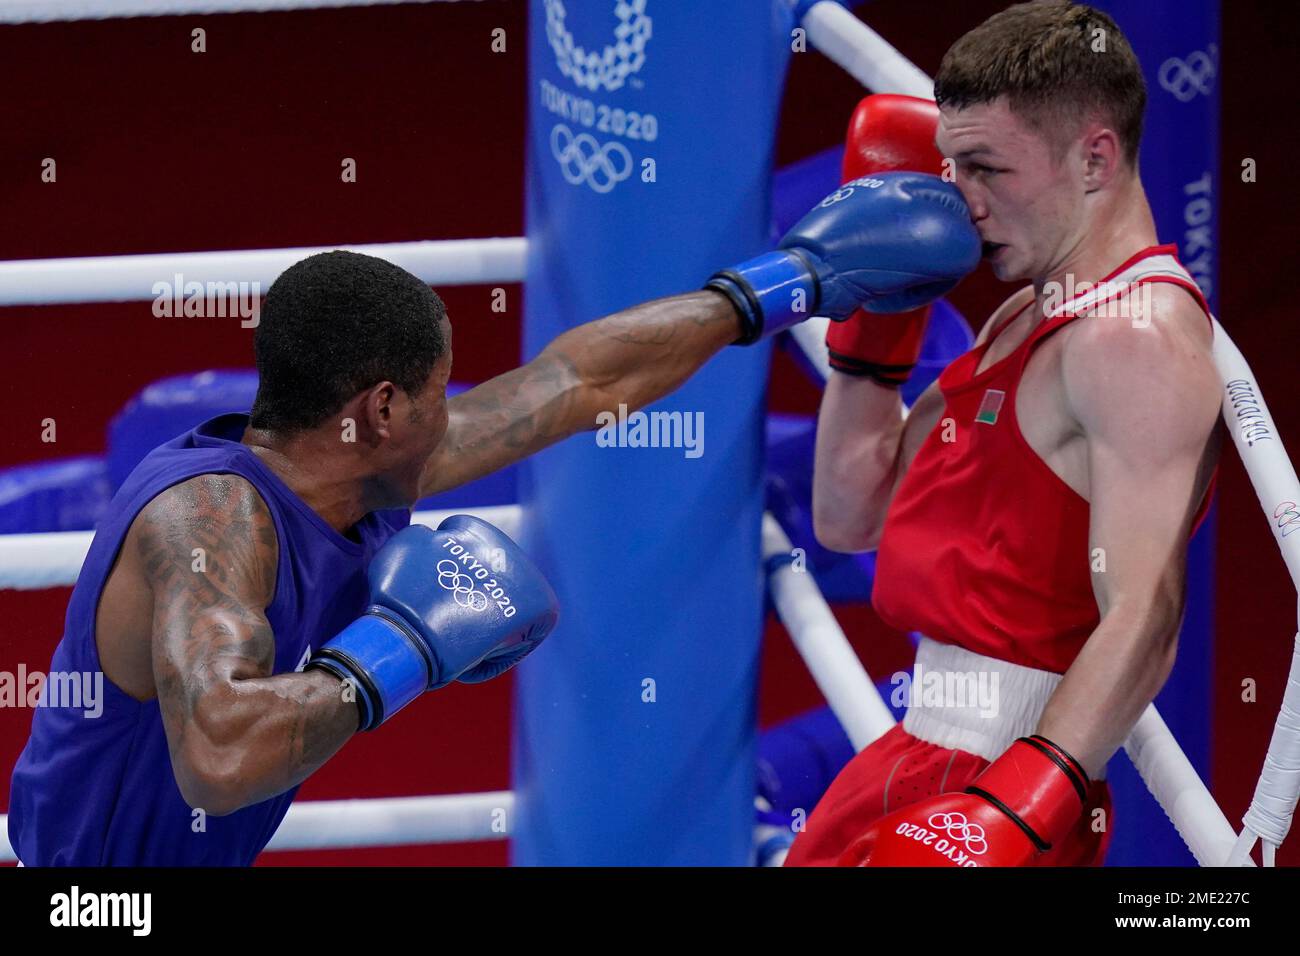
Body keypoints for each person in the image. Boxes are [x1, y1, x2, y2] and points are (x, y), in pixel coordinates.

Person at [8, 166, 980, 865]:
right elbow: (221, 753)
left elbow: (572, 379)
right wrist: (397, 651)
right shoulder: (212, 523)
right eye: (435, 389)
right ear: (381, 408)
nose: (454, 407)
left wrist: (773, 289)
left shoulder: (357, 468)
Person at [785, 1, 1222, 867]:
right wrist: (875, 330)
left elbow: (1147, 612)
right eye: (952, 168)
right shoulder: (1025, 316)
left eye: (987, 169)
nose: (963, 203)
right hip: (914, 753)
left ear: (1095, 157)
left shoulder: (1134, 339)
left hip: (1006, 778)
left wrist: (1015, 809)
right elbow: (848, 514)